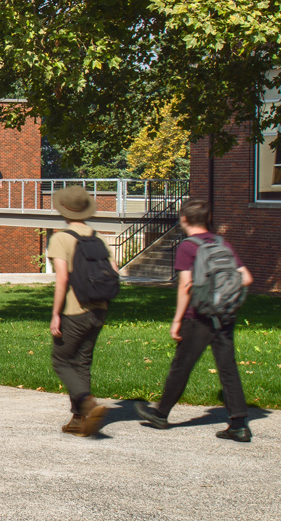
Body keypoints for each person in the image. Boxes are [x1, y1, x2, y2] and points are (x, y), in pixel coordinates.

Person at [136, 200, 256, 442]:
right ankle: (239, 425)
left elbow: (186, 286)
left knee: (181, 366)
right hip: (224, 315)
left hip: (197, 317)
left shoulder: (188, 247)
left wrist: (177, 320)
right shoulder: (222, 243)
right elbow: (246, 278)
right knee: (228, 369)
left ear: (184, 219)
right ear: (207, 219)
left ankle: (160, 415)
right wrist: (221, 294)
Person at [46, 185, 112, 436]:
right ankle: (79, 420)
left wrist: (56, 314)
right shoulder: (98, 237)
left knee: (61, 361)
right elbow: (114, 271)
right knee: (82, 362)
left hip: (75, 310)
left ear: (63, 209)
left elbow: (62, 279)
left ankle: (87, 402)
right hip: (100, 308)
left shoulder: (61, 238)